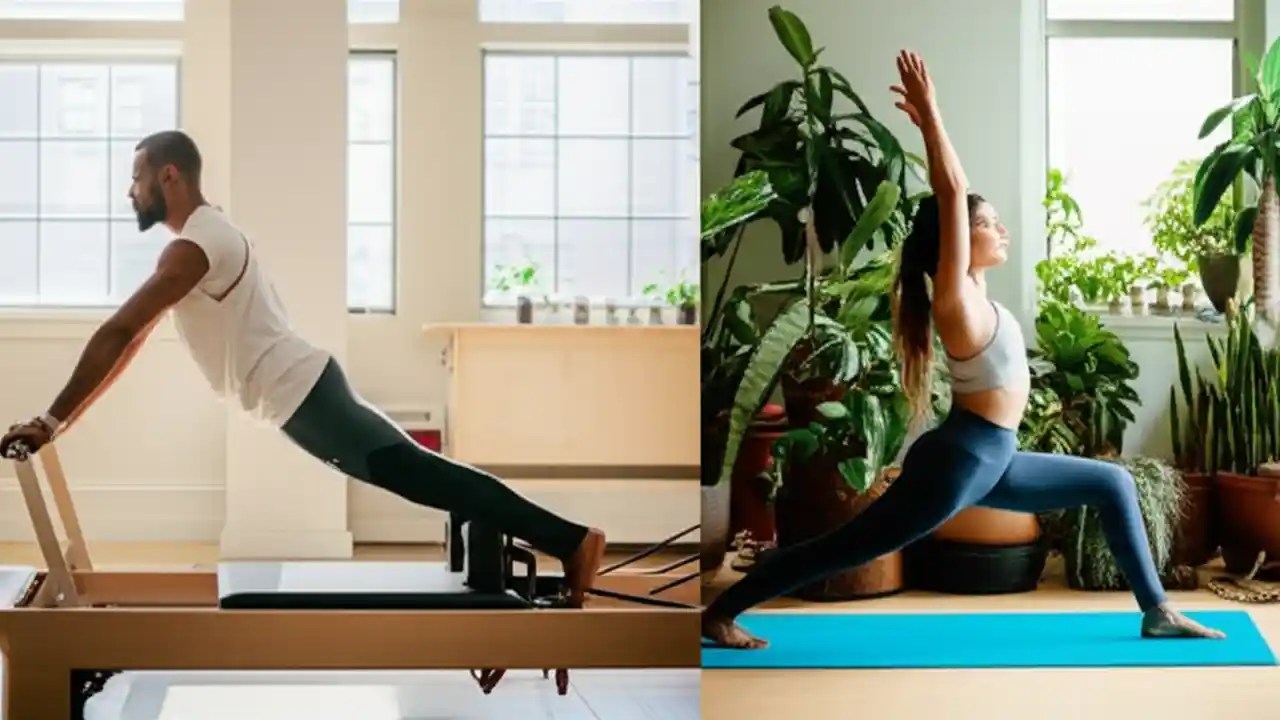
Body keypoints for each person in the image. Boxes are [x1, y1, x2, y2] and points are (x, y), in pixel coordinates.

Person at [701, 50, 1226, 649]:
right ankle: (722, 611)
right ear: (957, 243)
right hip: (961, 461)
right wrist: (930, 119)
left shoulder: (981, 293)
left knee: (1112, 484)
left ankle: (1157, 610)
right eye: (989, 223)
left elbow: (960, 204)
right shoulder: (955, 300)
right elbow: (952, 192)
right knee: (847, 547)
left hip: (994, 457)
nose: (1001, 230)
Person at [0, 129, 606, 608]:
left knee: (419, 476)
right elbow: (131, 340)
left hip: (306, 394)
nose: (130, 192)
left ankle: (573, 540)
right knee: (422, 476)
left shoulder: (195, 246)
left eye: (135, 178)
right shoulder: (207, 236)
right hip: (305, 391)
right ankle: (554, 547)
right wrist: (59, 420)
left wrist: (52, 420)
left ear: (168, 175)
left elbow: (119, 329)